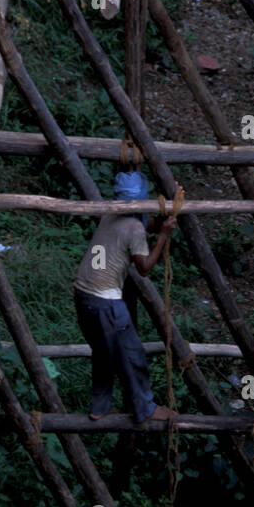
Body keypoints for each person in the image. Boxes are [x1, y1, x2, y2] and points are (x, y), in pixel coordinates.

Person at [74, 171, 180, 424]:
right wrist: (164, 235)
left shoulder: (111, 214)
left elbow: (140, 227)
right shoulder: (133, 228)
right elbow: (143, 268)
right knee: (133, 357)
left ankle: (99, 407)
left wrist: (159, 223)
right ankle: (145, 409)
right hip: (105, 302)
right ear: (143, 198)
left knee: (102, 354)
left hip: (82, 294)